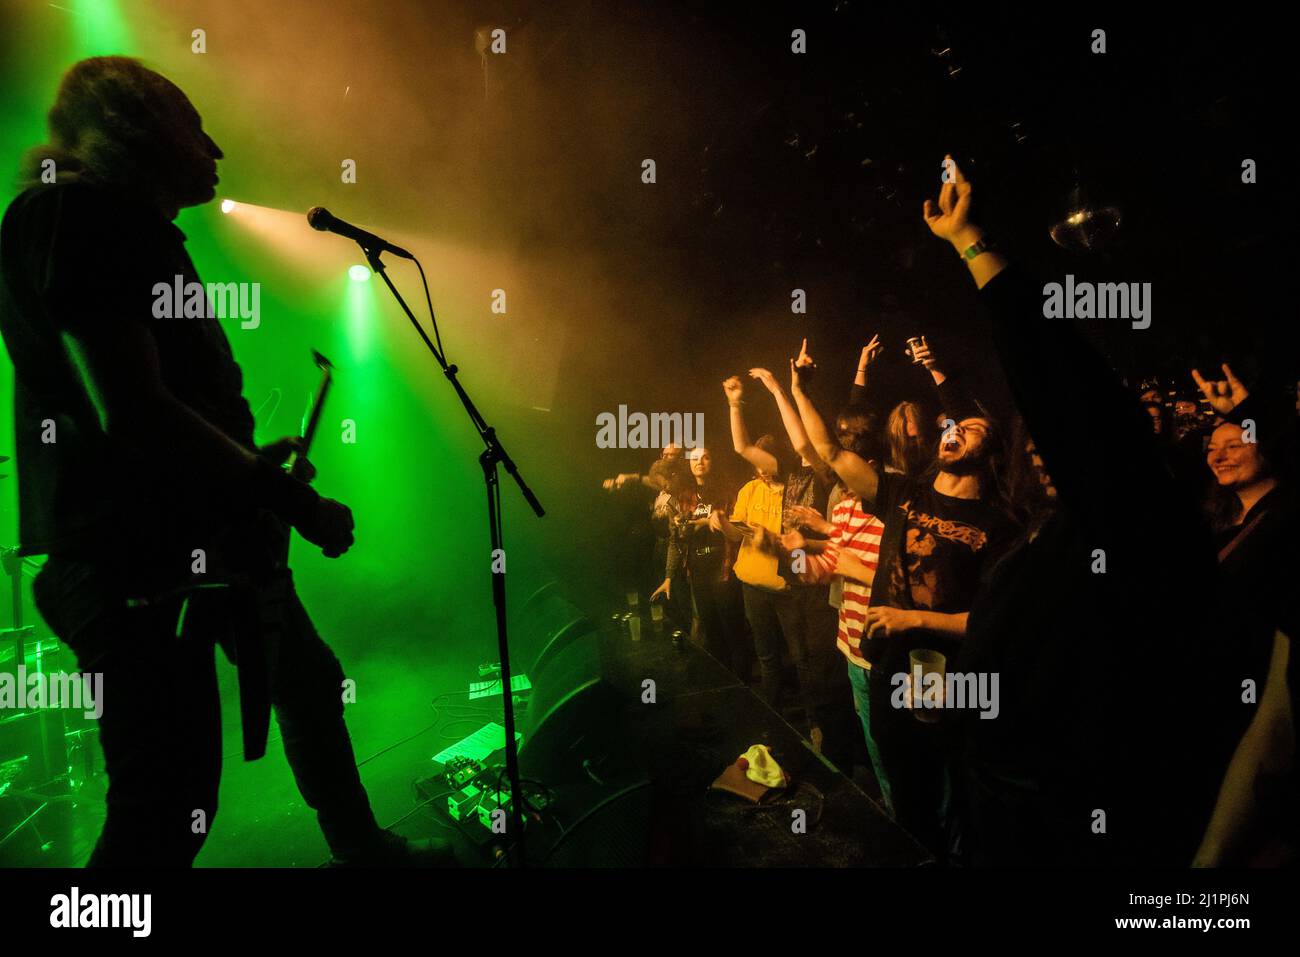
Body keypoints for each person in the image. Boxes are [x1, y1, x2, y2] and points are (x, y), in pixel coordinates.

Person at [0, 57, 449, 866]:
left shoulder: (109, 223)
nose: (214, 149)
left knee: (304, 689)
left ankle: (362, 850)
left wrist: (244, 459)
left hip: (193, 545)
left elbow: (159, 405)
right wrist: (285, 495)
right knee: (167, 798)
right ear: (135, 127)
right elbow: (131, 409)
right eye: (191, 124)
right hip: (133, 559)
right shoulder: (74, 213)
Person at [923, 154, 1225, 865]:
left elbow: (1063, 387)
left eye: (1051, 445)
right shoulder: (1060, 523)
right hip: (997, 796)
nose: (1041, 456)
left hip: (1060, 823)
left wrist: (975, 249)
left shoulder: (1137, 521)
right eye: (1035, 450)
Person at [790, 332, 1014, 857]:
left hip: (949, 678)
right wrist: (801, 389)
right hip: (887, 666)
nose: (955, 430)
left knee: (949, 794)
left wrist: (915, 621)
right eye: (953, 425)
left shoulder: (999, 525)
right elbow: (827, 449)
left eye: (971, 429)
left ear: (993, 453)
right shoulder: (902, 494)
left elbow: (994, 621)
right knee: (903, 785)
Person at [652, 449, 748, 677]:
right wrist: (677, 524)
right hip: (698, 570)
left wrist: (705, 522)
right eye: (694, 458)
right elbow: (677, 538)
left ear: (713, 461)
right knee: (712, 632)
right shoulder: (684, 495)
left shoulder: (727, 491)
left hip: (724, 568)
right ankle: (723, 683)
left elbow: (739, 530)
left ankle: (743, 686)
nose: (700, 462)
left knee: (734, 633)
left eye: (706, 457)